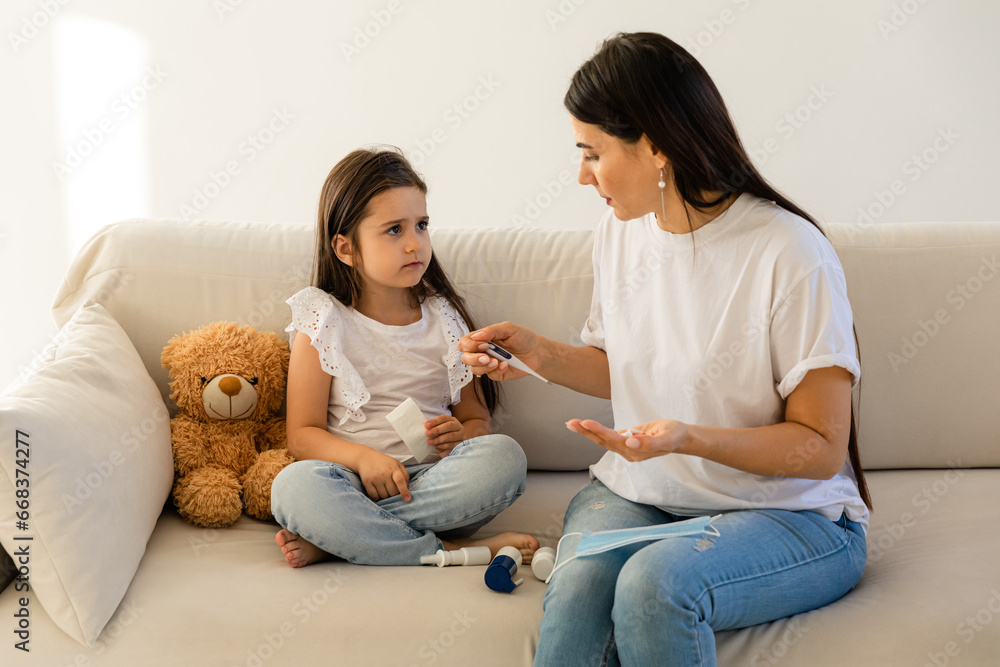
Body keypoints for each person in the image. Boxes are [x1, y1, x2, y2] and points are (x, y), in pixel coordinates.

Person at [459, 32, 871, 666]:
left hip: (789, 515)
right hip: (640, 490)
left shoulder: (789, 253)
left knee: (655, 586)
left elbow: (819, 449)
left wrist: (688, 437)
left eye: (591, 152)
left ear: (654, 145)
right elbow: (627, 368)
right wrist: (540, 353)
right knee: (578, 592)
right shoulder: (620, 232)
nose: (580, 174)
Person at [271, 147, 538, 568]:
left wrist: (461, 436)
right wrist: (363, 459)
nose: (415, 243)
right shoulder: (323, 318)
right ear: (346, 248)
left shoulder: (444, 318)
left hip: (435, 484)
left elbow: (477, 422)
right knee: (292, 487)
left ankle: (348, 538)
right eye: (394, 230)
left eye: (422, 225)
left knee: (504, 457)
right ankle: (440, 551)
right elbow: (302, 435)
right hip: (353, 483)